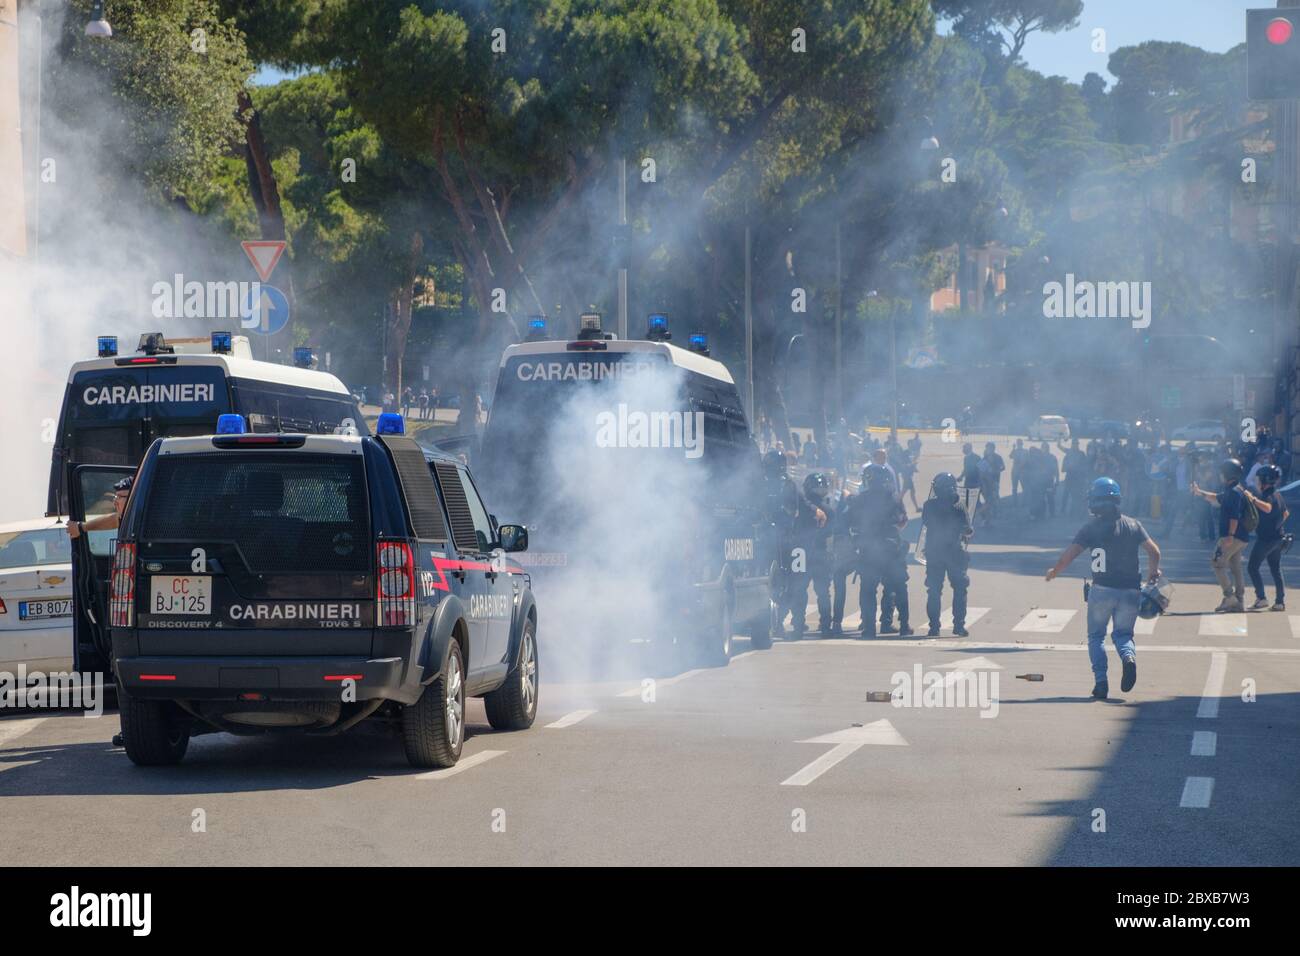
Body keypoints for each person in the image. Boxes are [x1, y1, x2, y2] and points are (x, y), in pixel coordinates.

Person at [1046, 477, 1160, 699]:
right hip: (1131, 590)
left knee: (1096, 637)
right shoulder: (1133, 525)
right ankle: (1128, 658)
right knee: (1123, 634)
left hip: (1102, 589)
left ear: (1095, 502)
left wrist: (1054, 572)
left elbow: (1069, 556)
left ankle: (1101, 683)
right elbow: (1154, 552)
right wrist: (1152, 575)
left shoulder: (1090, 528)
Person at [848, 463, 912, 639]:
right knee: (898, 587)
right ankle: (902, 625)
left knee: (868, 590)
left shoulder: (861, 499)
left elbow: (851, 522)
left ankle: (869, 629)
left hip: (868, 550)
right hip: (890, 549)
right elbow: (903, 521)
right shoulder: (894, 498)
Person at [1191, 458, 1262, 614]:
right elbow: (1217, 497)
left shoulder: (1234, 493)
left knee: (1217, 563)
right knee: (1236, 567)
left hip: (1232, 537)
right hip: (1242, 537)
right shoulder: (1236, 490)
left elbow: (1234, 517)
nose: (1220, 475)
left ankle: (1229, 597)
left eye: (1222, 473)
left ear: (1227, 474)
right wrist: (1200, 492)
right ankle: (1239, 600)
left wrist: (1229, 535)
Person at [921, 472, 972, 637]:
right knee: (959, 588)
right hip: (953, 552)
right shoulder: (959, 506)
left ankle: (934, 627)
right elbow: (967, 529)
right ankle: (958, 625)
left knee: (934, 590)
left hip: (934, 552)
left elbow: (927, 523)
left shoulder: (928, 505)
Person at [1246, 463, 1289, 611]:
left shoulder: (1267, 495)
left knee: (1252, 567)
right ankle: (1279, 602)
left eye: (1259, 479)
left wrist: (1253, 499)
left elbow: (1268, 508)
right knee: (1275, 570)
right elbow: (1285, 514)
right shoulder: (1278, 494)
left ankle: (1261, 598)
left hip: (1266, 539)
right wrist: (1277, 526)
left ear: (1264, 480)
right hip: (1278, 537)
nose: (1257, 482)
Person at [803, 473, 836, 635]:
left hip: (802, 552)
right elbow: (834, 532)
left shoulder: (802, 507)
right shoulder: (828, 509)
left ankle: (797, 622)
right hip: (821, 552)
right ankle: (825, 624)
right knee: (823, 591)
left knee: (798, 588)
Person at [67, 475, 134, 540]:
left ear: (132, 499)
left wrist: (81, 527)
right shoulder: (129, 518)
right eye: (116, 497)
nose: (115, 502)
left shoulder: (140, 520)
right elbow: (114, 520)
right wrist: (81, 527)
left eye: (119, 497)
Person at [1010, 438, 1028, 503]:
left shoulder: (1025, 451)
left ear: (1022, 444)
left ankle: (1024, 501)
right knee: (1014, 488)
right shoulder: (1015, 451)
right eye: (1018, 444)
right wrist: (1013, 448)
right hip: (1015, 472)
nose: (1019, 445)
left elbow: (1027, 461)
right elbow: (1010, 456)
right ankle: (1015, 502)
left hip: (1022, 472)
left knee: (1024, 487)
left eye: (1020, 444)